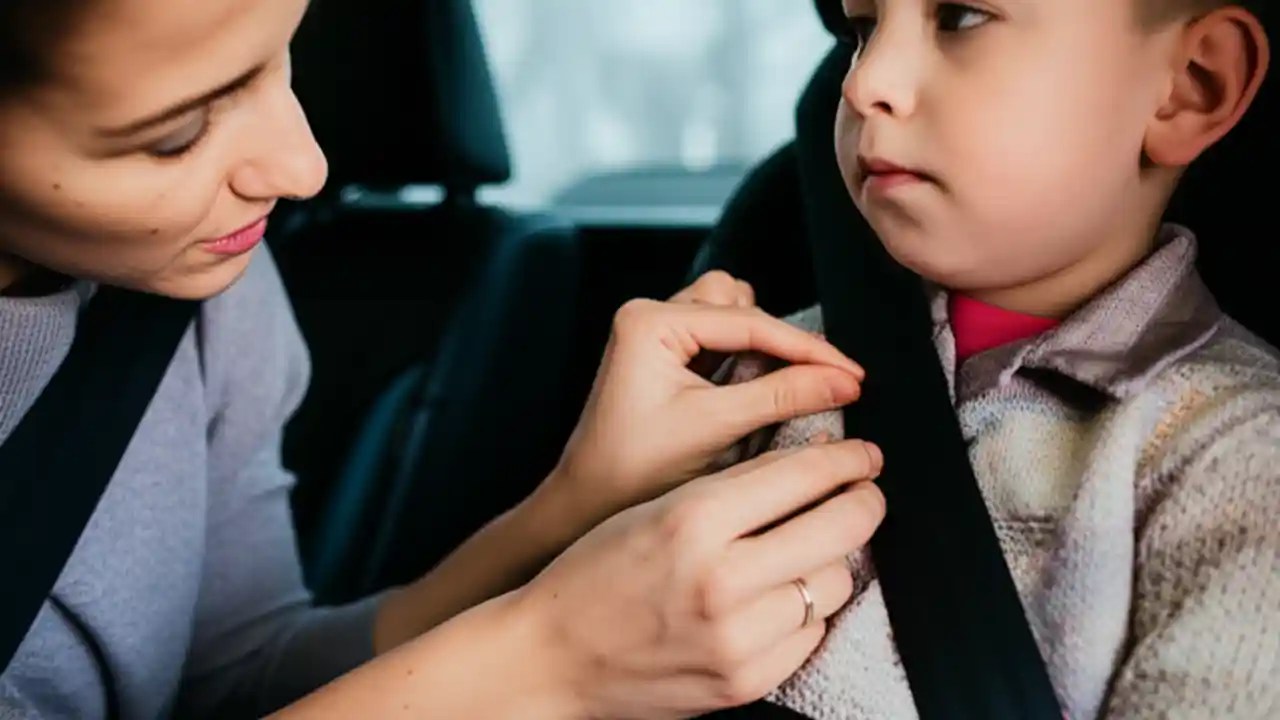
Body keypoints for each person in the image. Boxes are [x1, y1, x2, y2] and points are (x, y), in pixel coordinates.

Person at [0, 0, 891, 718]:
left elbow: (242, 678)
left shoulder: (195, 294)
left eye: (282, 55)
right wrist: (547, 665)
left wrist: (578, 503)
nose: (303, 165)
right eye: (176, 134)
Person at [708, 1, 1280, 718]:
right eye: (862, 31)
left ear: (1189, 86)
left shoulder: (1237, 452)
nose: (862, 82)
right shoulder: (757, 370)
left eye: (961, 18)